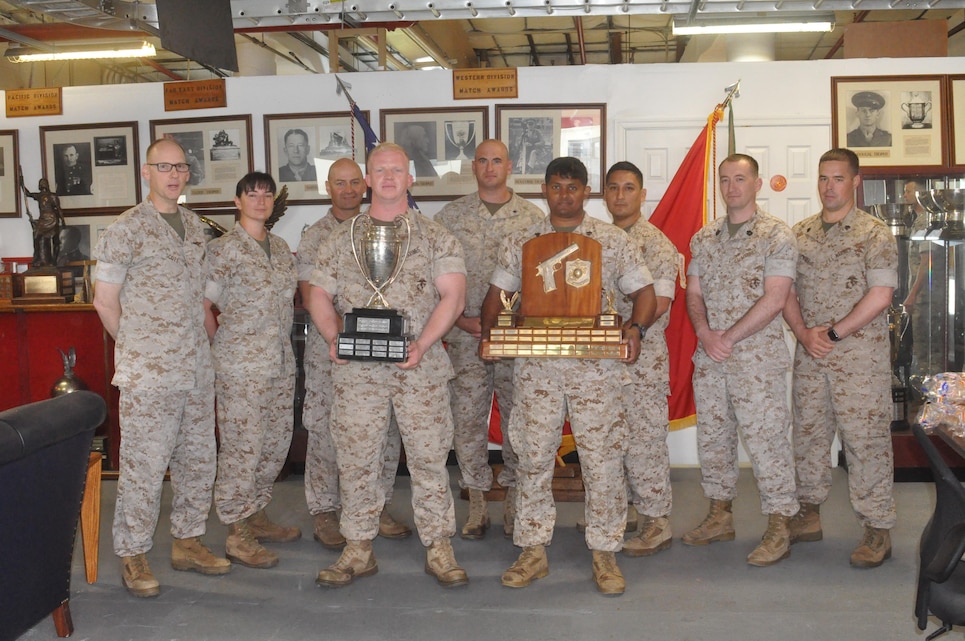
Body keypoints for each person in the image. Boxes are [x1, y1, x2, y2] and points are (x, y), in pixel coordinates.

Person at [481, 156, 656, 596]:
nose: (564, 195)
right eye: (556, 187)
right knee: (533, 458)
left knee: (601, 461)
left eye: (572, 187)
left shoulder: (611, 240)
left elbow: (646, 294)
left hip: (596, 372)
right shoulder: (522, 240)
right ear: (545, 190)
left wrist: (635, 327)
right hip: (537, 370)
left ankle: (604, 552)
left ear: (585, 191)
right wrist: (490, 335)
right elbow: (497, 296)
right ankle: (533, 550)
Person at [307, 143, 468, 588]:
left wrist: (423, 343)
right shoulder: (338, 240)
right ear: (369, 180)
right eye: (381, 171)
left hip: (420, 370)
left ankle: (439, 547)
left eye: (398, 170)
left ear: (409, 178)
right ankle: (357, 548)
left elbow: (453, 296)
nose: (390, 177)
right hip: (357, 373)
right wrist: (332, 336)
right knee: (357, 460)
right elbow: (317, 293)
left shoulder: (436, 237)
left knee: (429, 460)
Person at [92, 139, 231, 598]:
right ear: (146, 173)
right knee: (144, 467)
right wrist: (138, 348)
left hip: (195, 367)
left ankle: (187, 541)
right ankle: (132, 553)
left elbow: (203, 297)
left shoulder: (194, 227)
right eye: (163, 166)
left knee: (198, 460)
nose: (173, 174)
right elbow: (105, 302)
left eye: (180, 167)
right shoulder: (125, 230)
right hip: (150, 374)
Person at [682, 153, 799, 567]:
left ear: (757, 184)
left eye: (740, 179)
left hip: (756, 362)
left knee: (767, 442)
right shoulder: (704, 237)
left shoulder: (777, 235)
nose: (732, 187)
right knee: (713, 440)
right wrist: (704, 333)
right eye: (726, 179)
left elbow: (776, 297)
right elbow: (693, 293)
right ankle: (719, 515)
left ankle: (781, 523)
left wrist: (726, 337)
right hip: (711, 359)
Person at [783, 148, 898, 568]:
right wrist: (802, 333)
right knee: (809, 437)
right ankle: (807, 514)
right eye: (822, 178)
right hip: (811, 356)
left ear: (855, 181)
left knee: (866, 443)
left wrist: (832, 332)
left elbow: (880, 295)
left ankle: (876, 527)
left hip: (858, 361)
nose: (828, 187)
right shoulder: (799, 233)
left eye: (837, 178)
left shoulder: (875, 233)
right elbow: (785, 292)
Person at [296, 158, 412, 550]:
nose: (347, 190)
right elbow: (311, 294)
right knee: (328, 430)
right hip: (332, 351)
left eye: (352, 183)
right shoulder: (318, 236)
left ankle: (374, 505)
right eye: (338, 183)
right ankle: (325, 511)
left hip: (379, 354)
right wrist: (343, 333)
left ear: (363, 186)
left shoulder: (379, 230)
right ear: (327, 188)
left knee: (382, 430)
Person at [436, 139, 544, 540]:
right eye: (482, 160)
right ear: (474, 167)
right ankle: (477, 502)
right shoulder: (450, 217)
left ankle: (514, 501)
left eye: (497, 160)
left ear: (509, 165)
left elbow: (540, 281)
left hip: (516, 341)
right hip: (466, 337)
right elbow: (435, 279)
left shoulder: (532, 217)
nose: (489, 167)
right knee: (466, 421)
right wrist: (460, 322)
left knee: (520, 421)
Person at [202, 171, 301, 570]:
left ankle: (255, 515)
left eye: (266, 194)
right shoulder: (223, 251)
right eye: (251, 194)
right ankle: (236, 533)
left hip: (279, 364)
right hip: (241, 368)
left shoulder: (279, 247)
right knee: (242, 449)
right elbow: (203, 308)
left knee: (274, 445)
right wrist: (222, 347)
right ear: (238, 201)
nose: (260, 200)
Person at [603, 161, 680, 557]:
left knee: (644, 442)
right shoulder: (596, 241)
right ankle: (623, 512)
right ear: (604, 194)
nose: (620, 196)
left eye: (628, 188)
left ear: (642, 194)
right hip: (601, 362)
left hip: (641, 361)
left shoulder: (656, 244)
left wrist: (626, 325)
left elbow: (661, 303)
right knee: (609, 441)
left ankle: (656, 521)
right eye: (613, 188)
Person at [20, 176, 65, 267]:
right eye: (41, 184)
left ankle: (53, 261)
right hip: (43, 219)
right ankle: (37, 258)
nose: (42, 185)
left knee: (54, 240)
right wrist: (22, 184)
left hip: (52, 219)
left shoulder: (53, 196)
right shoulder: (39, 195)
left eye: (44, 183)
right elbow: (27, 194)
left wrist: (63, 221)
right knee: (36, 237)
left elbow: (59, 209)